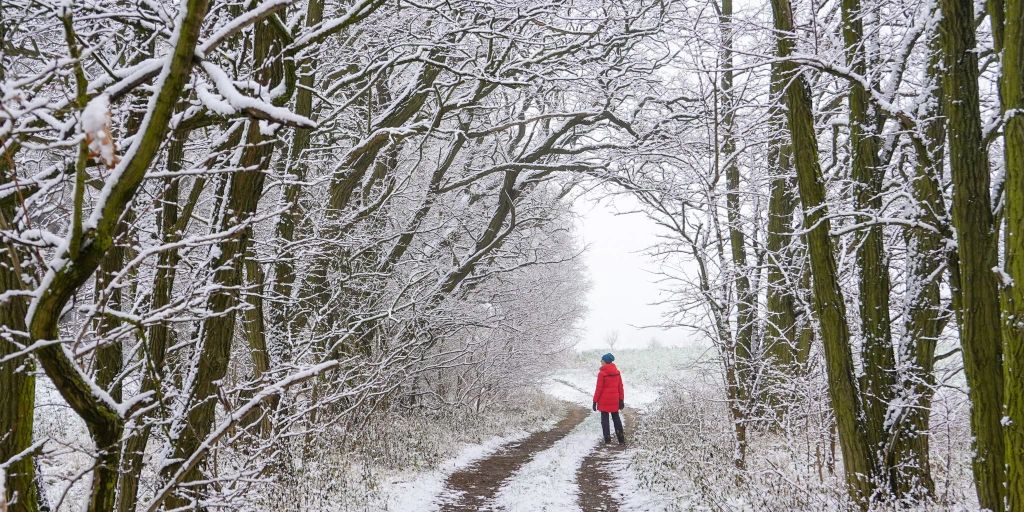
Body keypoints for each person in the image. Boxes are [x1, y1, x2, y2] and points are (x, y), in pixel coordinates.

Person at [592, 352, 626, 445]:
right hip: (615, 400)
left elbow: (599, 389)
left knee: (605, 420)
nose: (600, 362)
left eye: (602, 360)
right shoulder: (617, 373)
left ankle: (607, 440)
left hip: (604, 400)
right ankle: (621, 439)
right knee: (616, 419)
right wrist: (621, 400)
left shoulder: (602, 373)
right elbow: (620, 387)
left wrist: (595, 401)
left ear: (606, 361)